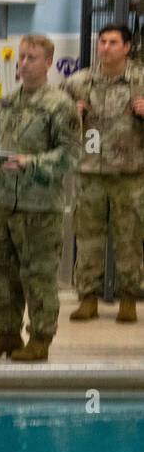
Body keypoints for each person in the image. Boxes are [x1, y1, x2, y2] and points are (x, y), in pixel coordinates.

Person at [0, 34, 78, 362]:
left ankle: (41, 339)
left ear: (48, 63)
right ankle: (6, 333)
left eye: (32, 58)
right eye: (21, 57)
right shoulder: (10, 101)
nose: (24, 63)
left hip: (39, 206)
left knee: (38, 273)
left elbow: (71, 156)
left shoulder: (59, 105)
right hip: (5, 201)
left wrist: (32, 163)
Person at [63, 23, 144, 324]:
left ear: (127, 47)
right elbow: (57, 124)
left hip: (130, 175)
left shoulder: (140, 81)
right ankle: (87, 299)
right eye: (102, 41)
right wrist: (74, 115)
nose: (105, 47)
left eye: (112, 42)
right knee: (87, 239)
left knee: (130, 240)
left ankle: (128, 300)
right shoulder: (79, 82)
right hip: (90, 173)